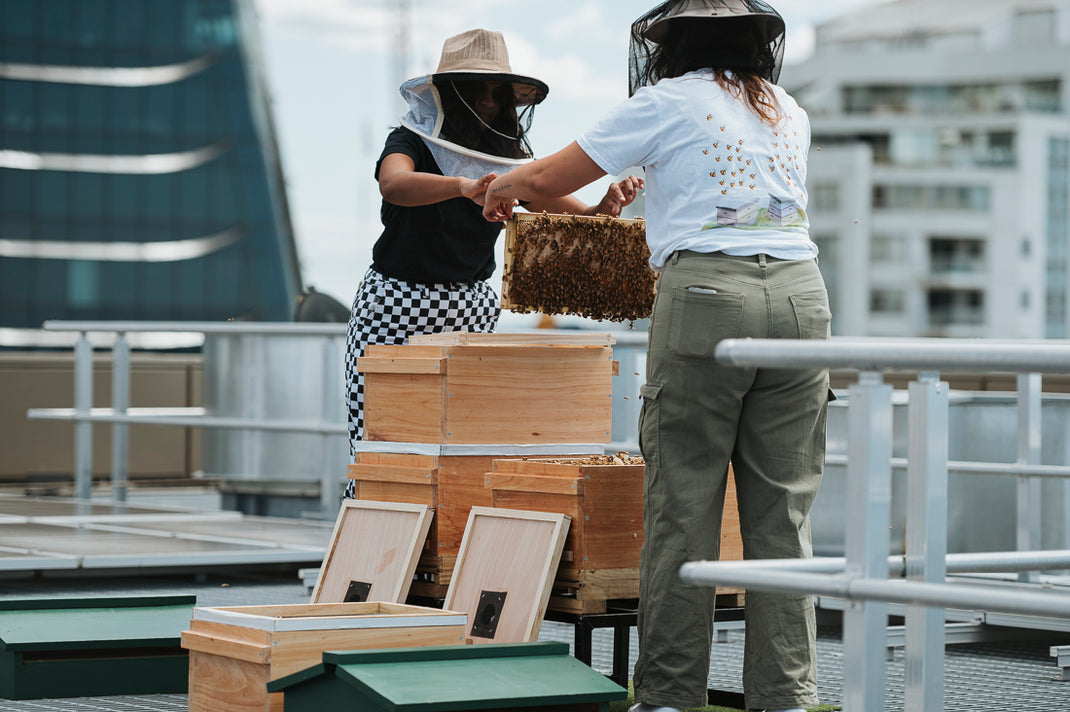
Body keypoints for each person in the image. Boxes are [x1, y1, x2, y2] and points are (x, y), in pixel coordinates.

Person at [482, 3, 829, 711]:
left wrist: (503, 184)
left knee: (684, 504)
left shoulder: (667, 101)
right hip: (803, 298)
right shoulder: (787, 108)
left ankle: (670, 694)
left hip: (707, 292)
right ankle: (786, 696)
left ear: (674, 43)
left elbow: (548, 179)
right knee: (783, 516)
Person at [343, 29, 641, 490]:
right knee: (382, 438)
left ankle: (442, 552)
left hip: (470, 306)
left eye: (495, 95)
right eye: (477, 94)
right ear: (451, 96)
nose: (488, 104)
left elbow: (574, 215)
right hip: (395, 301)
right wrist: (463, 187)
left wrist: (607, 207)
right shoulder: (410, 141)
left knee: (461, 438)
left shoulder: (508, 161)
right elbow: (394, 185)